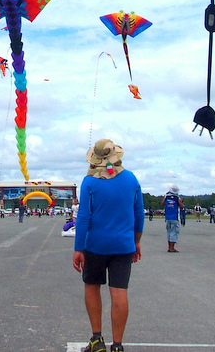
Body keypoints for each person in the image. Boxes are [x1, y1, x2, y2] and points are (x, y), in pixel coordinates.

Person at [73, 138, 144, 352]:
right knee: (119, 291)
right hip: (123, 244)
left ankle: (96, 339)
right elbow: (138, 214)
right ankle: (118, 345)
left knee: (92, 287)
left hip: (95, 244)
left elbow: (84, 216)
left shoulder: (90, 182)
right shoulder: (131, 179)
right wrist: (137, 241)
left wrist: (78, 248)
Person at [163, 185, 184, 252]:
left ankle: (169, 247)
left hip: (168, 217)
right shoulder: (178, 198)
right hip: (175, 217)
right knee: (174, 232)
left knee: (169, 232)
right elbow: (181, 207)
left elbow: (162, 204)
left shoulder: (166, 197)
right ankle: (172, 248)